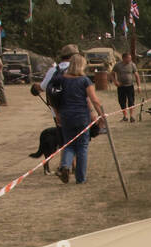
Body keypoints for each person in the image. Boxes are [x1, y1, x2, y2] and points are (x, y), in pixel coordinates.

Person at [49, 53, 104, 184]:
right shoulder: (84, 80)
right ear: (82, 65)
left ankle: (66, 166)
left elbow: (54, 99)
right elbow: (94, 100)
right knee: (82, 146)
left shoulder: (61, 79)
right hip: (81, 116)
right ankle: (80, 178)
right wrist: (101, 115)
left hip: (66, 116)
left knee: (69, 144)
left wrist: (57, 115)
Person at [113, 51, 139, 121]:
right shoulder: (117, 65)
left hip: (130, 86)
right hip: (121, 87)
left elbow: (136, 75)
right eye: (128, 58)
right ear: (124, 58)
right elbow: (112, 73)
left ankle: (131, 116)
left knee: (131, 101)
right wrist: (115, 81)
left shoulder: (132, 65)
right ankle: (125, 116)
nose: (130, 60)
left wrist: (139, 86)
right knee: (122, 101)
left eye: (130, 58)